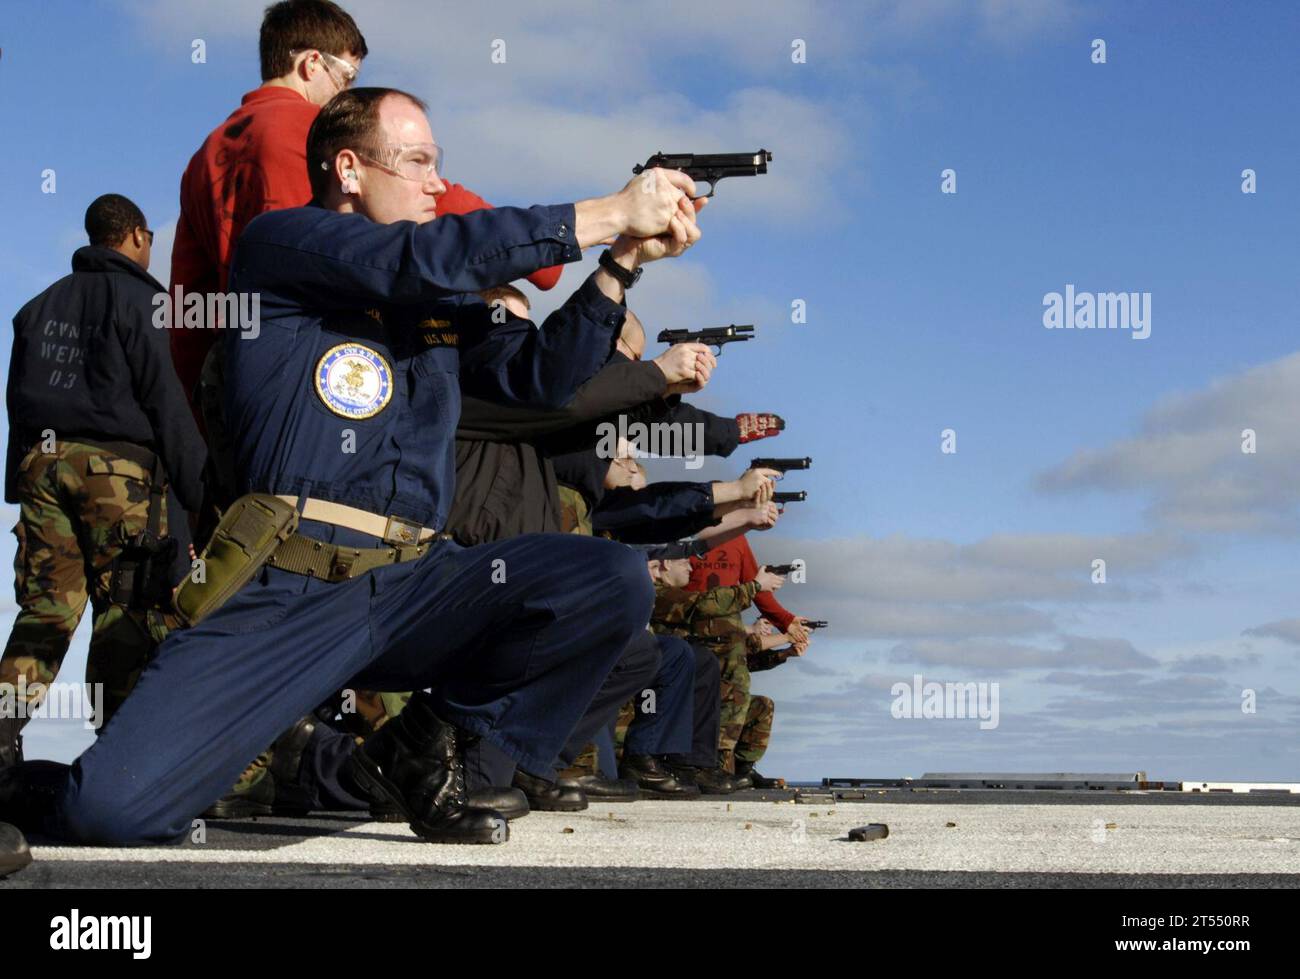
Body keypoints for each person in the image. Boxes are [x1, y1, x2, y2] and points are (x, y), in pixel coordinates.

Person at [0, 86, 704, 849]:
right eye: (418, 161)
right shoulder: (279, 249)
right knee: (109, 814)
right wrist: (606, 210)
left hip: (414, 583)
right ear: (348, 168)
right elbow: (415, 256)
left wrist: (620, 264)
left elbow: (540, 380)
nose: (438, 182)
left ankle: (424, 748)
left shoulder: (433, 304)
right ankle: (22, 786)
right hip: (292, 589)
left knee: (605, 580)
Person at [170, 0, 564, 408]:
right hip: (323, 387)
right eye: (348, 77)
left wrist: (199, 418)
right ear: (310, 64)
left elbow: (187, 308)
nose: (347, 93)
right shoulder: (308, 129)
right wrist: (544, 253)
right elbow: (431, 197)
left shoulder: (202, 159)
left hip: (235, 389)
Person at [0, 194, 206, 771]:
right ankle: (116, 761)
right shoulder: (146, 302)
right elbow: (169, 403)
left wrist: (16, 487)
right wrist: (199, 492)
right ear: (138, 236)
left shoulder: (36, 309)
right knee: (125, 608)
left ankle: (0, 737)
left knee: (46, 610)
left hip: (41, 467)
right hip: (115, 473)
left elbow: (18, 403)